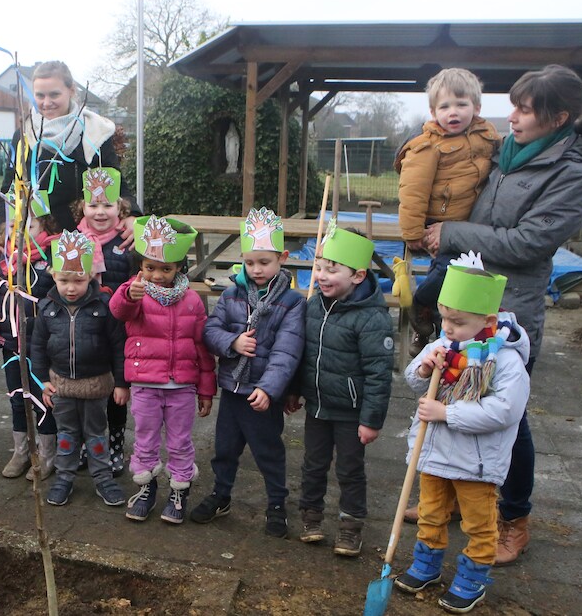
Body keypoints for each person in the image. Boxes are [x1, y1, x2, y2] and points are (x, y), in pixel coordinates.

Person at [423, 64, 582, 565]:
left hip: (511, 308)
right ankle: (457, 502)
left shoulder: (569, 174)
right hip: (472, 302)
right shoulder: (506, 154)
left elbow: (530, 243)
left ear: (559, 118)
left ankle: (514, 517)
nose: (513, 116)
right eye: (514, 105)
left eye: (525, 109)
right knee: (456, 394)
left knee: (508, 416)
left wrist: (454, 232)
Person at [395, 253, 530, 613]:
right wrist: (423, 369)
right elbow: (411, 379)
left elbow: (504, 412)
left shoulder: (505, 361)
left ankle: (474, 576)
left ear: (487, 320)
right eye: (443, 318)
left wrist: (446, 413)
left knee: (478, 522)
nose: (448, 328)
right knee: (431, 512)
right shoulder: (443, 346)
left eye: (457, 321)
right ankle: (427, 563)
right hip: (434, 453)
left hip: (476, 462)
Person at [191, 209, 305, 538]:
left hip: (262, 393)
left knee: (268, 450)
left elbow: (287, 351)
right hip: (232, 388)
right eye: (251, 262)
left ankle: (277, 503)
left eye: (264, 262)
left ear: (282, 258)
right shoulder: (232, 294)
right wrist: (233, 341)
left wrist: (270, 389)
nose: (256, 269)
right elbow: (210, 331)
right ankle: (221, 494)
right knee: (224, 447)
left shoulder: (292, 303)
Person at [290, 223, 394, 556]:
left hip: (351, 412)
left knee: (350, 469)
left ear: (359, 277)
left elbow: (379, 373)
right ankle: (311, 515)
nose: (321, 275)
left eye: (332, 270)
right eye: (319, 266)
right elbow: (300, 352)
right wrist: (293, 390)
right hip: (317, 405)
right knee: (313, 463)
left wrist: (371, 420)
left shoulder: (372, 319)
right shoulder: (313, 305)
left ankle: (350, 526)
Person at [109, 216, 215, 524]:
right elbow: (118, 311)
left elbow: (201, 346)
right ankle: (146, 488)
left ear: (179, 267)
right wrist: (128, 295)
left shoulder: (193, 300)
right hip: (145, 385)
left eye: (165, 269)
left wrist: (207, 389)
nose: (156, 275)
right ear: (140, 265)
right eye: (149, 267)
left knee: (180, 440)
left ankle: (179, 490)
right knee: (145, 438)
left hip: (182, 386)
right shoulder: (135, 292)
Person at [395, 68, 500, 350]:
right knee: (447, 272)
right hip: (439, 222)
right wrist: (413, 232)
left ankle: (439, 328)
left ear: (476, 107)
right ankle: (420, 304)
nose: (453, 112)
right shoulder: (427, 145)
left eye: (461, 104)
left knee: (459, 280)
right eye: (444, 106)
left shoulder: (488, 137)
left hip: (470, 225)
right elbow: (413, 191)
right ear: (433, 111)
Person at [32, 230, 129, 507]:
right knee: (66, 435)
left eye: (78, 280)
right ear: (54, 277)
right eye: (64, 280)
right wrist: (41, 381)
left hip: (96, 386)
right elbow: (37, 348)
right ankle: (64, 477)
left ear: (90, 277)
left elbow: (118, 346)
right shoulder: (47, 308)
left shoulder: (104, 307)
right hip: (61, 387)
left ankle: (103, 478)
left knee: (97, 435)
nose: (70, 288)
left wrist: (121, 382)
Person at [0, 60, 141, 236]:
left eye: (54, 94)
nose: (46, 102)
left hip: (87, 235)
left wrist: (133, 214)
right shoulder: (25, 134)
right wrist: (2, 234)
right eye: (40, 95)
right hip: (39, 237)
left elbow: (115, 180)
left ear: (71, 91)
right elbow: (10, 186)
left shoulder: (94, 131)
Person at [77, 167, 138, 476]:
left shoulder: (128, 244)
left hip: (117, 332)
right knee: (89, 390)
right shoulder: (74, 242)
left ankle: (115, 445)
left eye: (107, 205)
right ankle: (90, 442)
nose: (100, 212)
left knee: (116, 392)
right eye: (93, 205)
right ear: (83, 207)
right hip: (85, 328)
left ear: (120, 208)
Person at [0, 205, 59, 481]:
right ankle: (21, 451)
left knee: (43, 401)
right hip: (11, 346)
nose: (20, 233)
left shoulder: (50, 262)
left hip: (41, 348)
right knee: (17, 401)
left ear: (44, 228)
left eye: (29, 227)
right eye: (14, 227)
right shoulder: (0, 263)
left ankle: (47, 456)